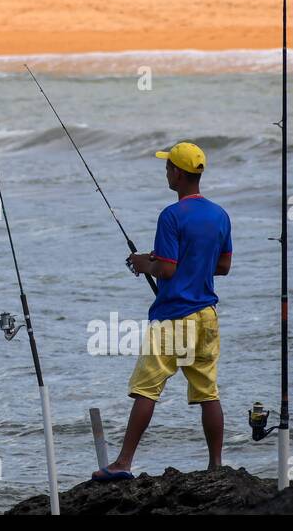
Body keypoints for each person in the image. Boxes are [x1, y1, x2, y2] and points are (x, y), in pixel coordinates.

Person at [92, 141, 232, 481]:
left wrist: (143, 263)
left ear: (179, 174)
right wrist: (178, 264)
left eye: (168, 166)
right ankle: (215, 466)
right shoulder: (219, 215)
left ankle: (123, 463)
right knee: (207, 393)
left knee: (145, 388)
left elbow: (167, 270)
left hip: (175, 318)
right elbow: (223, 266)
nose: (165, 171)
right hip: (207, 316)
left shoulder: (171, 215)